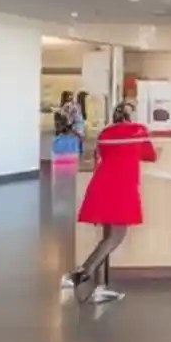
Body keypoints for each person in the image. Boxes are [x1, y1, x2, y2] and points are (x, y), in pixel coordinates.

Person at [62, 102, 157, 304]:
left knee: (107, 236)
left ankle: (97, 286)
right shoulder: (138, 130)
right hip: (122, 187)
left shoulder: (106, 133)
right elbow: (150, 155)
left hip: (101, 183)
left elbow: (104, 155)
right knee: (116, 237)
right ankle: (83, 273)